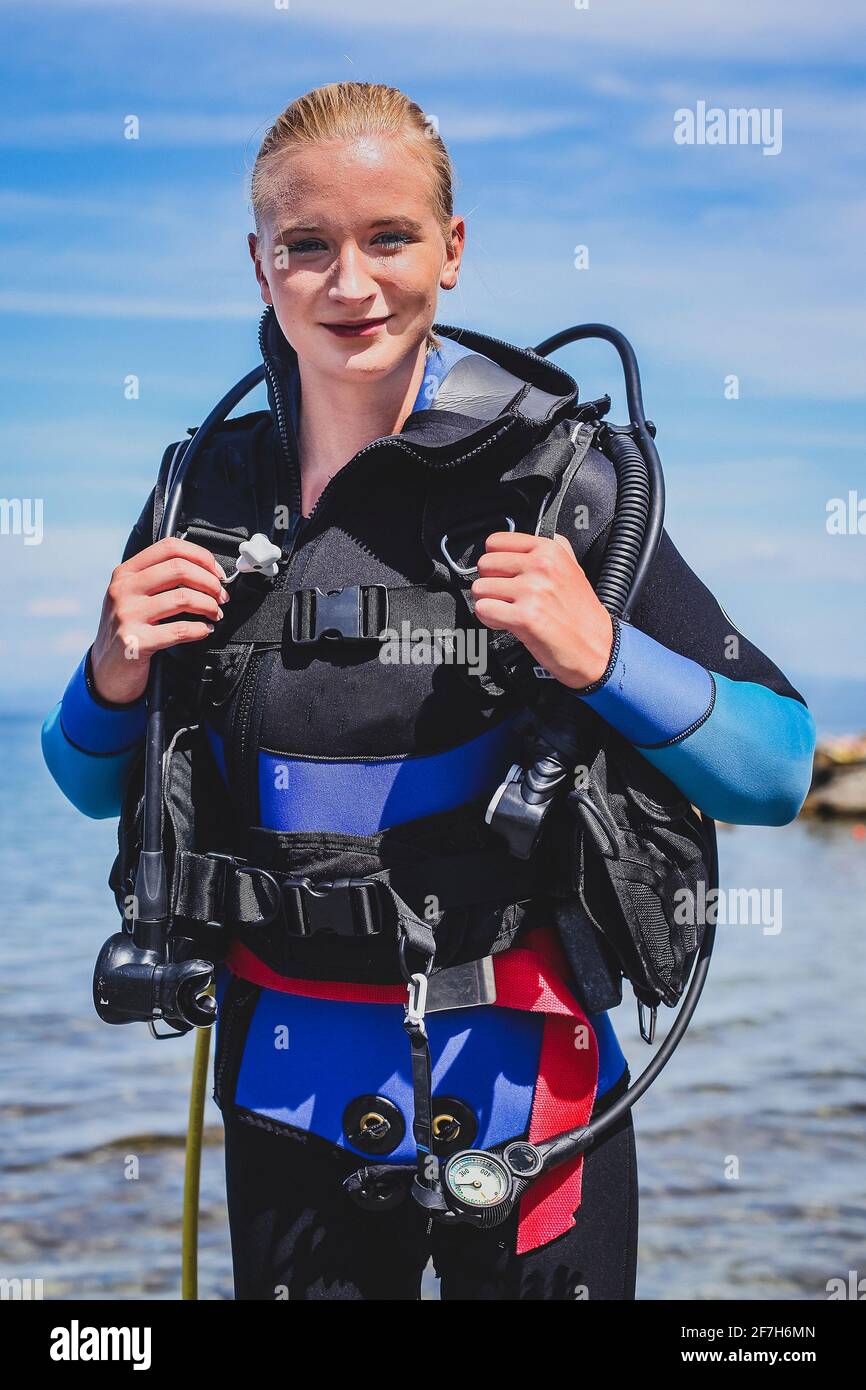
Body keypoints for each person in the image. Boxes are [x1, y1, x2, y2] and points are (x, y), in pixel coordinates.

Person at [41, 81, 816, 1301]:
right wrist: (110, 671)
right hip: (287, 1105)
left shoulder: (568, 483)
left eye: (388, 237)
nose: (349, 283)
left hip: (532, 1102)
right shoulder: (203, 492)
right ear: (260, 265)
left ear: (450, 251)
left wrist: (602, 653)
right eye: (307, 245)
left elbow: (776, 770)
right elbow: (87, 783)